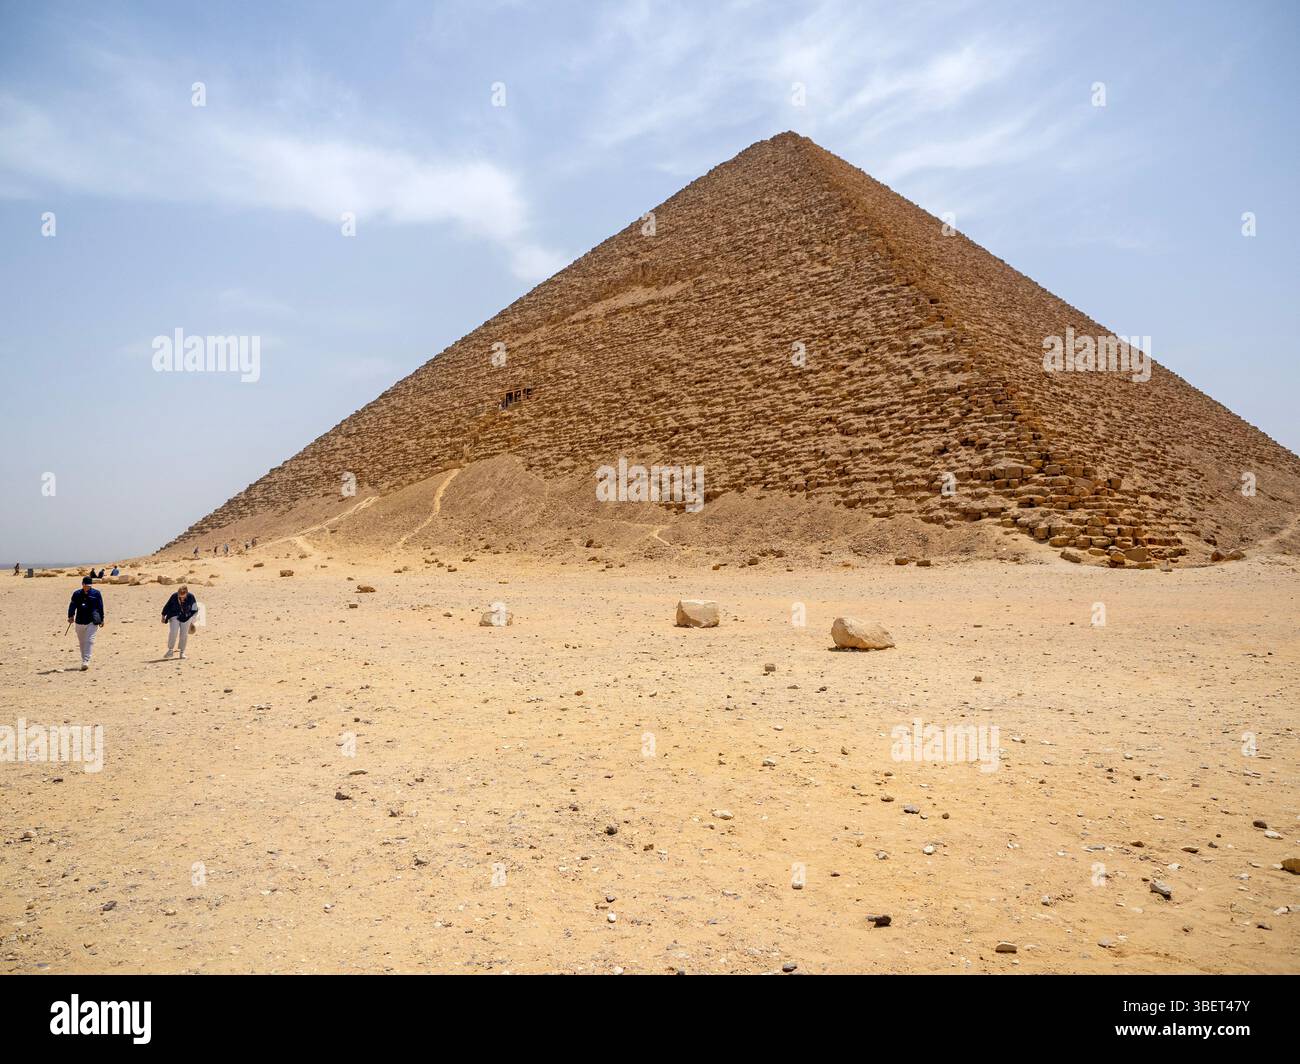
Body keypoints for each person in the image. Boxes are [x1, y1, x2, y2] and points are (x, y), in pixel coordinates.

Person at [67, 576, 105, 671]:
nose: (87, 587)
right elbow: (72, 605)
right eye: (85, 585)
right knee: (82, 642)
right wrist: (70, 616)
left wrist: (102, 619)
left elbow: (100, 607)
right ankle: (84, 659)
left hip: (92, 621)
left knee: (89, 641)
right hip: (79, 621)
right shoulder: (76, 594)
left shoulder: (96, 593)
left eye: (89, 586)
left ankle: (86, 661)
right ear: (82, 584)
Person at [161, 584, 200, 659]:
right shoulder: (174, 596)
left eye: (183, 597)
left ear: (187, 593)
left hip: (186, 616)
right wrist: (163, 615)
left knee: (184, 634)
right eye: (180, 597)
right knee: (173, 632)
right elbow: (167, 605)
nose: (182, 599)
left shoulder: (191, 597)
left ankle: (182, 652)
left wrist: (191, 619)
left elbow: (195, 609)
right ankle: (170, 650)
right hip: (174, 615)